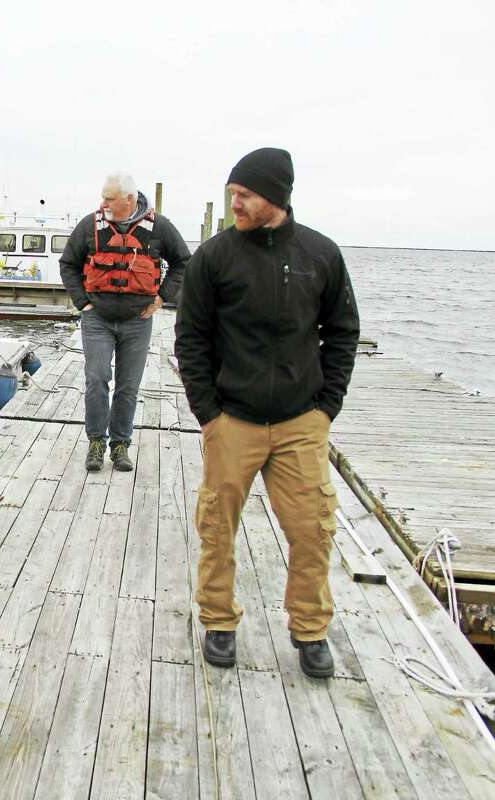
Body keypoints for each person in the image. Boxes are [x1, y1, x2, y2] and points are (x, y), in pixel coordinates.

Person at [174, 148, 359, 678]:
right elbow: (191, 339)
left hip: (303, 421)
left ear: (276, 197)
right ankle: (219, 621)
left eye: (245, 195)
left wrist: (327, 409)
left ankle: (310, 630)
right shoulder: (215, 258)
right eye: (231, 193)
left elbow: (343, 333)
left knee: (312, 529)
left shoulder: (320, 254)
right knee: (216, 526)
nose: (235, 202)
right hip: (233, 419)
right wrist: (209, 413)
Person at [60, 173, 191, 472]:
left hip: (138, 321)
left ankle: (120, 445)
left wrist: (161, 299)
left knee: (128, 386)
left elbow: (184, 261)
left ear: (128, 200)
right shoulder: (90, 226)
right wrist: (84, 302)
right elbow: (68, 263)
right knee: (96, 379)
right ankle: (96, 442)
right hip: (97, 320)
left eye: (109, 198)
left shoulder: (159, 228)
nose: (102, 203)